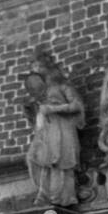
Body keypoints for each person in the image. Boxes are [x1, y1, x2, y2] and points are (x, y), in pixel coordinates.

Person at [23, 51, 84, 206]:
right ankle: (44, 193)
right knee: (34, 158)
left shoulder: (63, 86)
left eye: (38, 66)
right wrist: (31, 110)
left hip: (63, 129)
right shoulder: (39, 93)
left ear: (47, 67)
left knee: (60, 162)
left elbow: (77, 105)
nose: (36, 69)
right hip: (46, 131)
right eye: (33, 67)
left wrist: (53, 109)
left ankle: (61, 197)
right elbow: (36, 119)